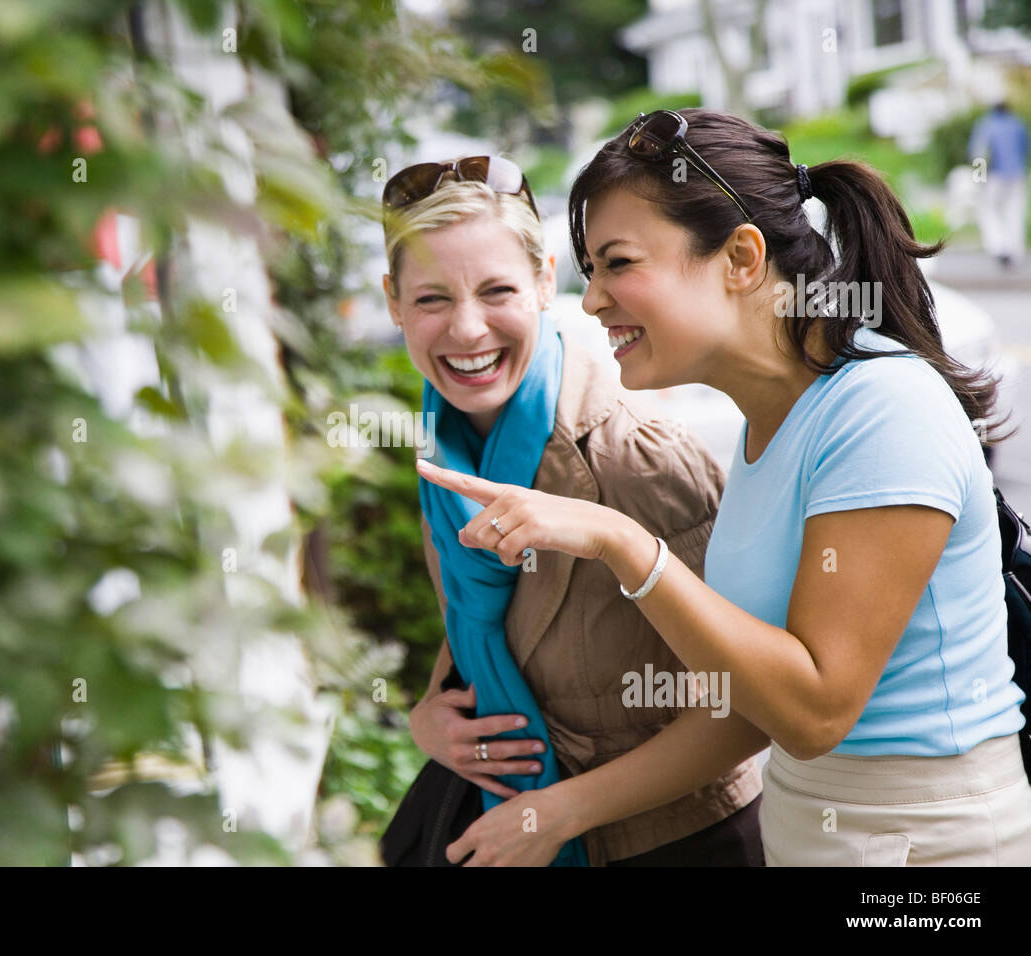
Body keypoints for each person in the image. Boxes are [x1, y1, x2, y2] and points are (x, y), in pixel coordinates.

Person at [416, 108, 1031, 866]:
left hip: (930, 850)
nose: (594, 300)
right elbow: (751, 696)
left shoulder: (882, 410)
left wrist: (621, 541)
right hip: (815, 836)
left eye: (618, 263)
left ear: (741, 258)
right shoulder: (767, 424)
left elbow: (813, 710)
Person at [381, 156, 768, 866]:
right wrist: (429, 717)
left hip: (674, 846)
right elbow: (485, 622)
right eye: (432, 299)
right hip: (504, 819)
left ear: (543, 282)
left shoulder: (641, 461)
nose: (467, 331)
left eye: (496, 290)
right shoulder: (449, 443)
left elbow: (746, 710)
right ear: (392, 303)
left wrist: (554, 816)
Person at [968, 101, 1028, 269]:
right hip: (1016, 174)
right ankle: (1014, 250)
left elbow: (977, 152)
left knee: (989, 211)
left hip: (993, 176)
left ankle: (998, 247)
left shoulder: (986, 125)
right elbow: (1025, 149)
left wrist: (978, 179)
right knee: (1014, 212)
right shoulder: (1018, 125)